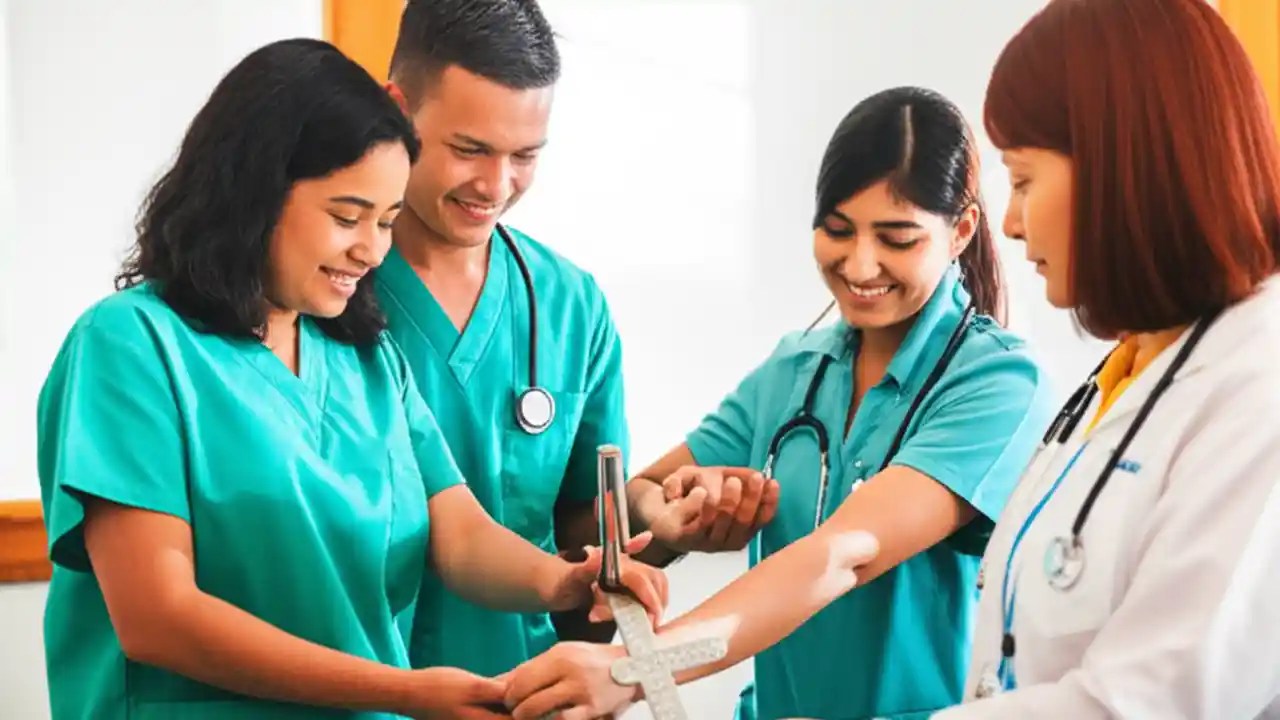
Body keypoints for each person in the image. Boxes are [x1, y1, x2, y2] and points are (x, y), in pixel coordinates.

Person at [36, 38, 664, 720]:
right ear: (254, 193)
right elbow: (158, 617)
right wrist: (403, 691)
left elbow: (458, 533)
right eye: (346, 217)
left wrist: (564, 580)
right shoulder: (132, 346)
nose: (372, 250)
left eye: (387, 220)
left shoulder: (365, 357)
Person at [499, 86, 1057, 720]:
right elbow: (637, 500)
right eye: (838, 231)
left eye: (897, 239)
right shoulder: (797, 368)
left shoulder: (999, 382)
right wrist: (672, 515)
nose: (860, 265)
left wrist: (639, 668)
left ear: (961, 230)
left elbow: (847, 553)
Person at [929, 1, 1280, 717]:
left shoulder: (1259, 383)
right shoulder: (1132, 370)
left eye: (1023, 180)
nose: (1010, 222)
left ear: (1125, 166)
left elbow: (1145, 703)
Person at [375, 0, 631, 678]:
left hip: (525, 689)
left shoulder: (570, 304)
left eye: (525, 156)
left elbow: (583, 530)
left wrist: (654, 525)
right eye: (469, 150)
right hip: (366, 692)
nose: (495, 186)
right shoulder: (327, 293)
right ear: (397, 111)